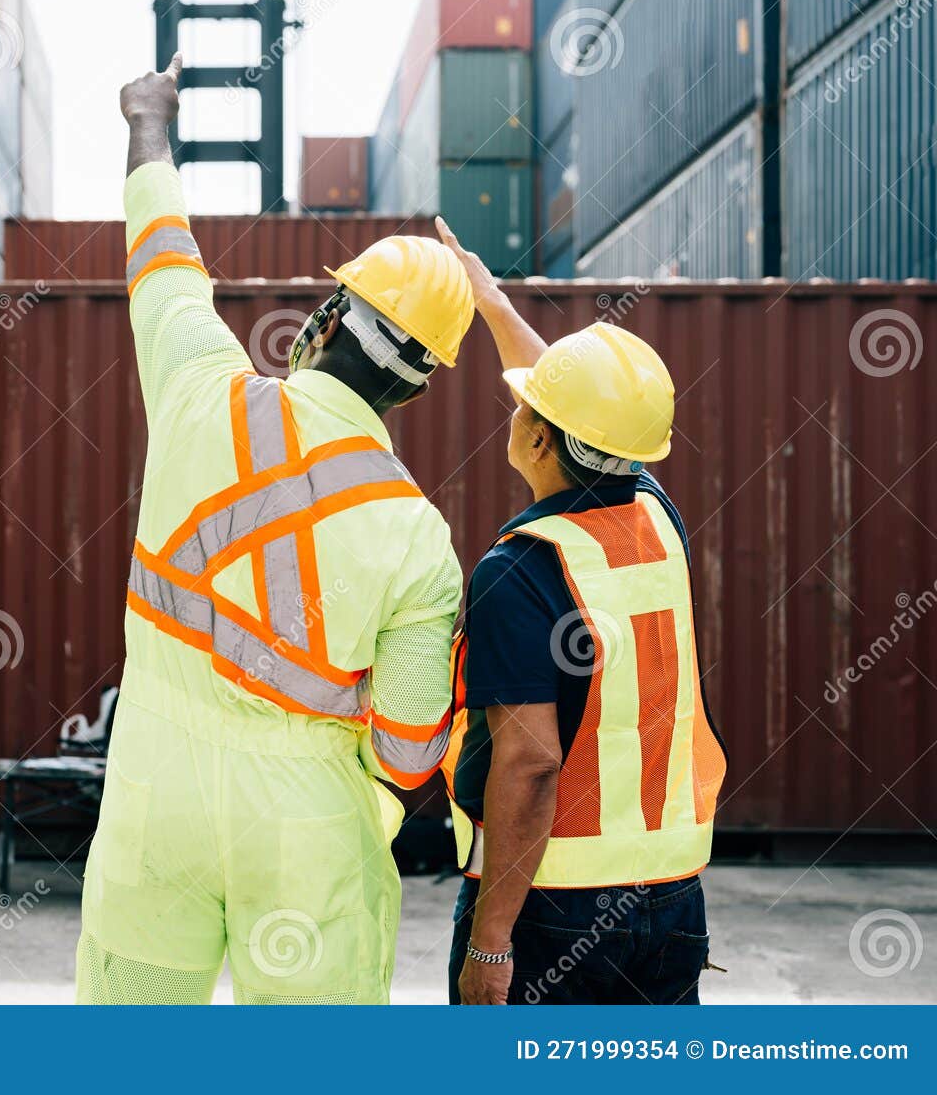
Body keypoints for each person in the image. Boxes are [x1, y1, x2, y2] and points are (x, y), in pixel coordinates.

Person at [75, 55, 475, 1004]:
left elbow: (164, 267)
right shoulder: (418, 539)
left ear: (328, 317)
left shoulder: (198, 386)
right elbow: (413, 746)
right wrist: (359, 805)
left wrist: (147, 123)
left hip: (153, 796)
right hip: (308, 828)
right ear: (421, 382)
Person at [433, 219, 728, 1006]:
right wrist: (492, 302)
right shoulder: (658, 520)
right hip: (670, 901)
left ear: (535, 440)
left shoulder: (520, 571)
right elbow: (593, 423)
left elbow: (529, 768)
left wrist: (491, 947)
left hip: (549, 911)